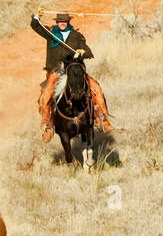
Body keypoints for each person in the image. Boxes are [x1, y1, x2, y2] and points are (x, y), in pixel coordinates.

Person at [30, 9, 113, 142]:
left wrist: (82, 52)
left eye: (64, 21)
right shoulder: (51, 34)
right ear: (57, 23)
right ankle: (48, 126)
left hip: (75, 72)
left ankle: (102, 118)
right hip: (57, 72)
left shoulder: (77, 35)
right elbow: (36, 26)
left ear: (68, 22)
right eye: (60, 21)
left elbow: (89, 52)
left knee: (96, 88)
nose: (62, 23)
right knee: (45, 96)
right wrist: (36, 17)